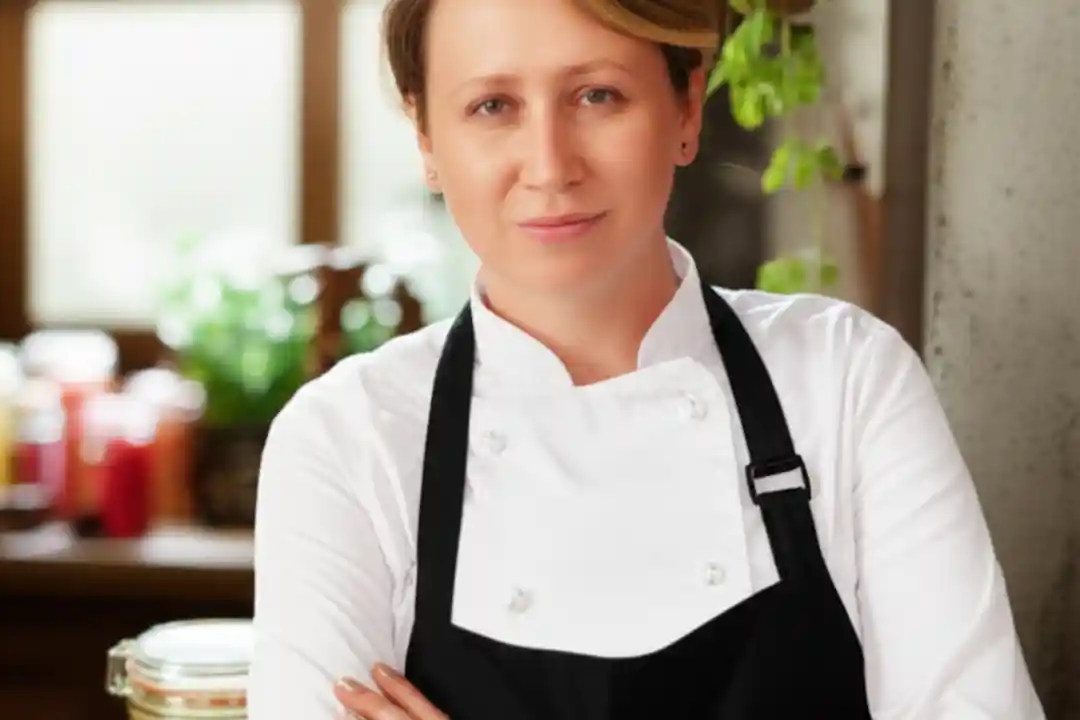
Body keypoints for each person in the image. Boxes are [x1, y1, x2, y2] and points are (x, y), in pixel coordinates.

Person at [247, 0, 1044, 716]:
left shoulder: (848, 381)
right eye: (493, 105)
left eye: (598, 95)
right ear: (427, 137)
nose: (551, 166)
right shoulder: (347, 442)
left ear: (688, 106)